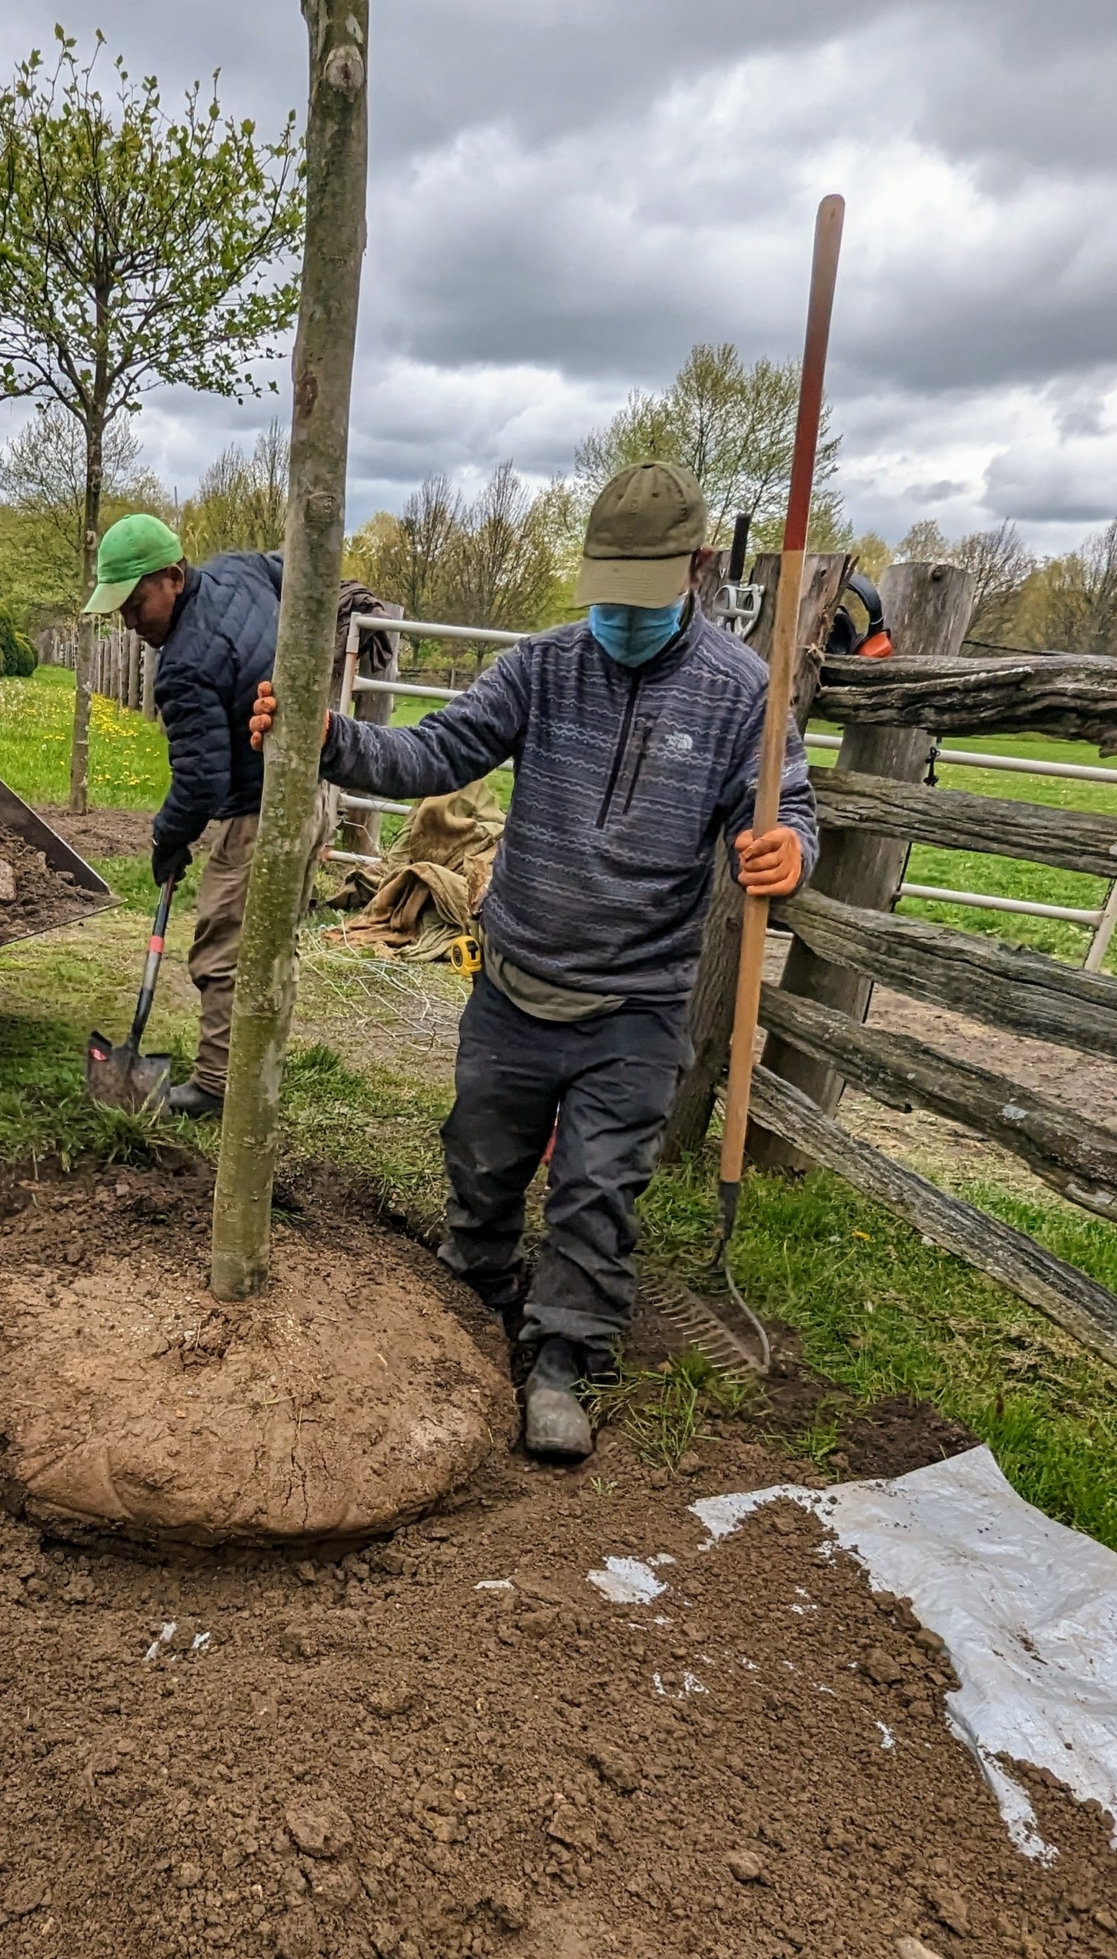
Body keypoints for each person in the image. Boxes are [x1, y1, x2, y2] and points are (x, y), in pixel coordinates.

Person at [250, 461, 816, 1459]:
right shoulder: (542, 668)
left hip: (635, 1006)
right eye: (608, 596)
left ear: (693, 569)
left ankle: (564, 1359)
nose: (620, 617)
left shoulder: (744, 698)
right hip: (513, 985)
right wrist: (327, 737)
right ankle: (469, 1305)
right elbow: (432, 755)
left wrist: (789, 850)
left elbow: (784, 808)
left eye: (642, 598)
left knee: (598, 1188)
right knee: (482, 1160)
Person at [85, 513, 339, 1118]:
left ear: (172, 577)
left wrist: (167, 839)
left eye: (135, 603)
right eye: (119, 609)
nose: (129, 622)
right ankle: (257, 1069)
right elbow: (296, 580)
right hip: (315, 787)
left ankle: (221, 1088)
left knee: (223, 953)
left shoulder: (183, 665)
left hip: (261, 813)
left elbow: (203, 781)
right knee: (272, 946)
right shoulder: (240, 569)